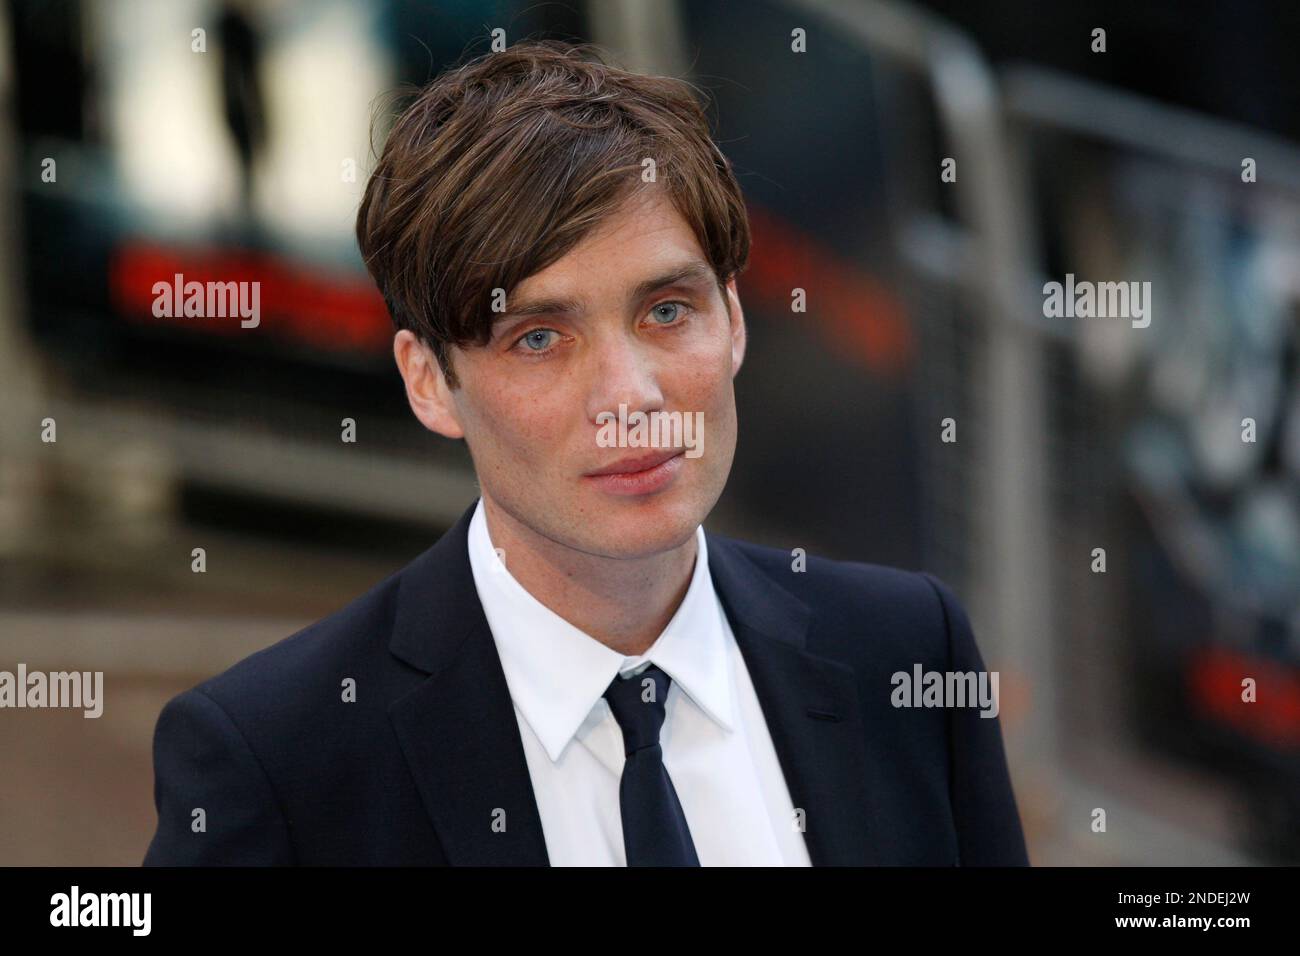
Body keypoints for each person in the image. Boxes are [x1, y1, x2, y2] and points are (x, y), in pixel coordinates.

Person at [143, 38, 1029, 866]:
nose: (631, 397)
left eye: (667, 311)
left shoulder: (909, 653)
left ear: (734, 320)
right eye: (538, 338)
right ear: (427, 381)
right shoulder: (279, 759)